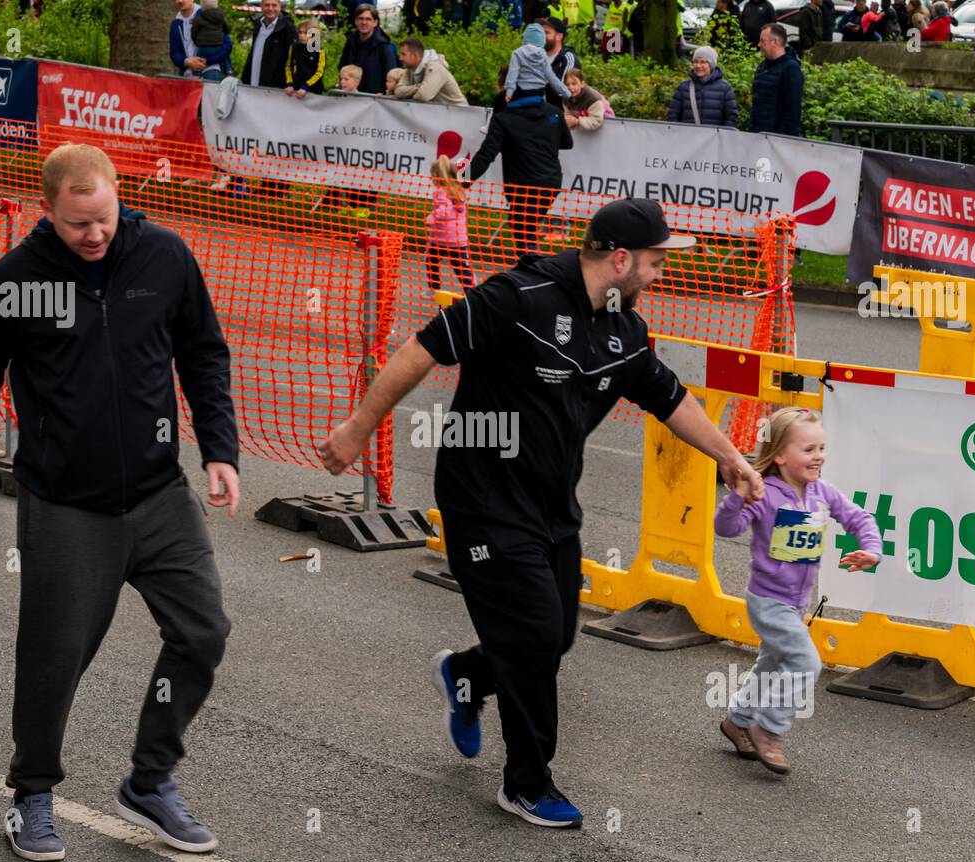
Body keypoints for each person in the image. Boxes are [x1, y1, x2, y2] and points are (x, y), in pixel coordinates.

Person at [320, 198, 763, 827]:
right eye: (657, 261)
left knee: (554, 637)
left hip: (552, 503)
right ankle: (527, 782)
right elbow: (424, 348)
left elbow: (669, 397)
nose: (661, 273)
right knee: (530, 638)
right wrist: (360, 427)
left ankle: (468, 675)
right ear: (619, 258)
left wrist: (731, 458)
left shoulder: (623, 329)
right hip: (482, 501)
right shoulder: (517, 298)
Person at [0, 143, 240, 862]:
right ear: (48, 210)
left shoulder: (164, 256)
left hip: (160, 491)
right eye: (78, 224)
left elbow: (203, 350)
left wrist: (220, 448)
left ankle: (150, 777)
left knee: (203, 631)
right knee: (55, 656)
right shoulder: (14, 279)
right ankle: (33, 794)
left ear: (118, 195)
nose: (95, 234)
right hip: (66, 502)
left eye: (103, 217)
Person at [715, 408, 880, 775]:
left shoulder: (822, 493)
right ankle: (768, 729)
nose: (818, 456)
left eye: (821, 447)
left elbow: (860, 518)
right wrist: (737, 496)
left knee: (772, 663)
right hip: (767, 599)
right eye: (808, 449)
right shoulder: (765, 493)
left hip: (795, 603)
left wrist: (872, 549)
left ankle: (738, 720)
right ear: (780, 456)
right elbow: (727, 527)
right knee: (806, 663)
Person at [469, 70, 572, 257]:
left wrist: (462, 181)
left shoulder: (503, 118)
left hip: (522, 185)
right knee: (522, 226)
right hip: (550, 183)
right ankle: (531, 270)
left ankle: (534, 273)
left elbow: (486, 154)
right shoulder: (554, 113)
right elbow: (567, 142)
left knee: (523, 230)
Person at [424, 154, 475, 292]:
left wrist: (431, 218)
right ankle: (471, 291)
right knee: (462, 267)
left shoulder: (440, 191)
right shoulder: (458, 189)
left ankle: (434, 288)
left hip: (440, 238)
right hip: (457, 239)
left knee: (431, 261)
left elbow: (444, 209)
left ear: (436, 175)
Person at [749, 23, 803, 136]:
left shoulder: (791, 68)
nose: (759, 44)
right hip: (758, 135)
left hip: (777, 140)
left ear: (775, 42)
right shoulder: (762, 66)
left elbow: (792, 110)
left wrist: (779, 139)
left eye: (762, 41)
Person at [666, 45, 738, 126]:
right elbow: (672, 116)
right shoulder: (683, 87)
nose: (698, 65)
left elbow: (731, 118)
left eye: (703, 62)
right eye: (695, 61)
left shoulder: (725, 88)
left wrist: (721, 136)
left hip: (714, 138)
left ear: (711, 65)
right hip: (687, 137)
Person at [339, 3, 397, 96]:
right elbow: (342, 68)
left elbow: (392, 75)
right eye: (361, 18)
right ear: (355, 21)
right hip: (351, 97)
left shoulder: (384, 46)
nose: (364, 22)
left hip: (374, 100)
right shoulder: (350, 42)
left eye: (368, 19)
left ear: (375, 22)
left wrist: (384, 94)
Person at [507, 22, 571, 102]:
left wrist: (509, 93)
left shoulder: (517, 53)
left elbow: (512, 75)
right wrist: (567, 94)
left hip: (521, 94)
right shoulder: (543, 54)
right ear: (542, 39)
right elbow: (552, 78)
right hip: (538, 96)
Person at [394, 36, 468, 105]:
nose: (400, 58)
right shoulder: (410, 69)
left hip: (459, 115)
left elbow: (423, 96)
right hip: (439, 115)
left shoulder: (436, 67)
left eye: (403, 54)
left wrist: (409, 92)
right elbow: (398, 92)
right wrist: (420, 86)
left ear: (415, 56)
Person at [169, 0, 232, 78]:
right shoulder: (175, 23)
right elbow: (174, 52)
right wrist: (187, 62)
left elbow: (227, 44)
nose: (180, 1)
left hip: (211, 69)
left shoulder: (208, 12)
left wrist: (208, 61)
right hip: (188, 74)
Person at [242, 0, 296, 88]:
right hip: (253, 81)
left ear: (280, 7)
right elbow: (253, 54)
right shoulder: (258, 25)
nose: (270, 9)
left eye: (274, 5)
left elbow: (293, 58)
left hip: (275, 87)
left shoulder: (288, 28)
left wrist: (290, 83)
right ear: (261, 7)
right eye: (267, 5)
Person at [540, 17, 580, 109]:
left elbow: (563, 91)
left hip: (558, 114)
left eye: (546, 33)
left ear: (559, 36)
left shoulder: (568, 58)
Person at [284, 18, 325, 97]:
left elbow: (320, 72)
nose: (302, 36)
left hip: (314, 90)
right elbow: (288, 66)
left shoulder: (319, 50)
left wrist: (306, 86)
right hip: (296, 89)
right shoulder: (293, 47)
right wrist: (289, 84)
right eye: (300, 32)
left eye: (306, 33)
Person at [190, 0, 229, 80]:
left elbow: (194, 31)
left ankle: (196, 74)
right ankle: (227, 71)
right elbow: (227, 28)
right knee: (219, 61)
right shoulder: (221, 16)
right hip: (217, 45)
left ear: (202, 6)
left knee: (199, 62)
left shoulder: (200, 16)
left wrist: (196, 41)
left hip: (203, 46)